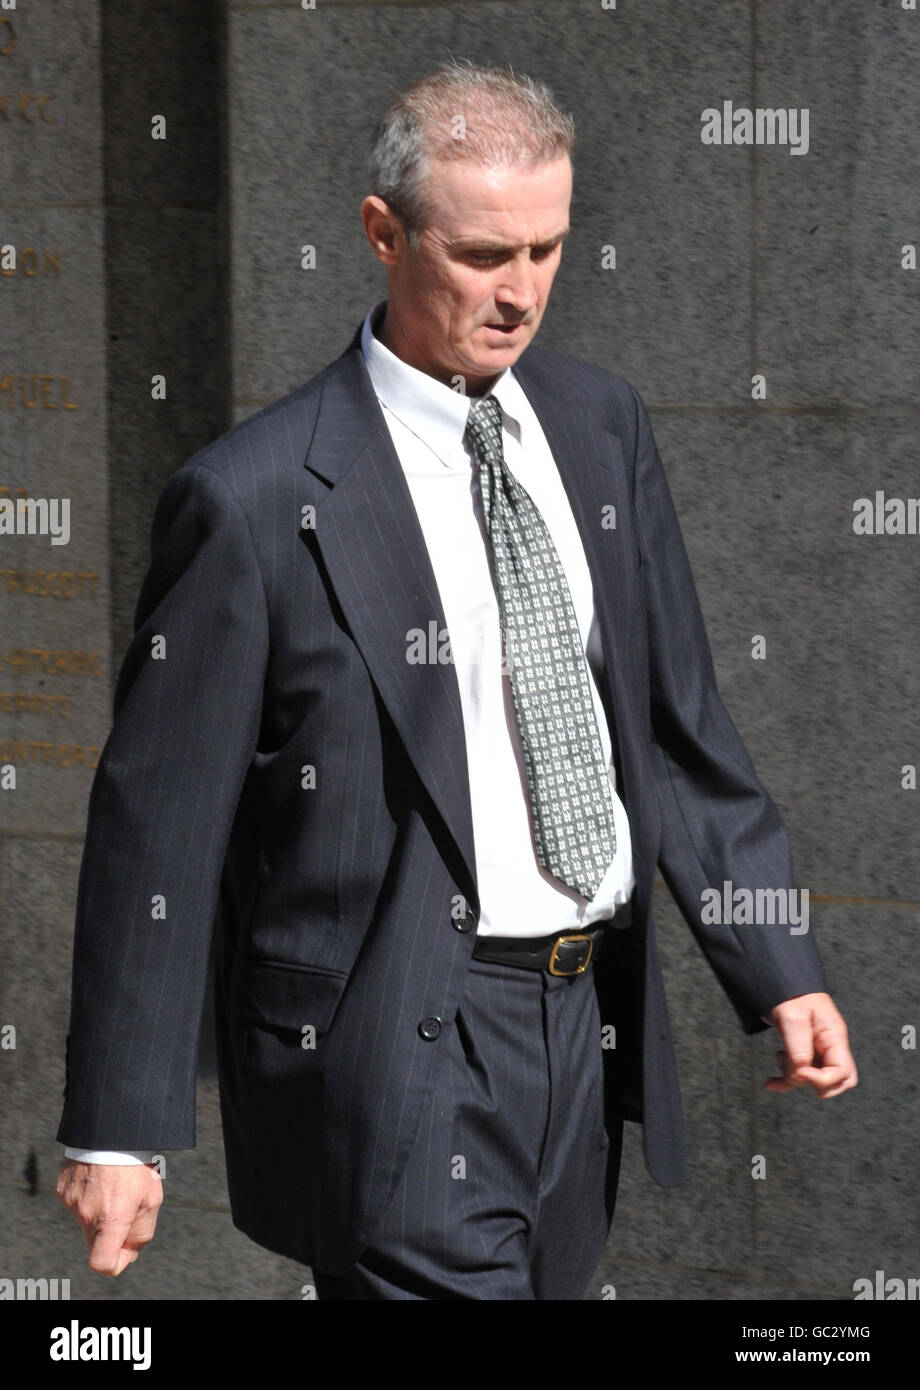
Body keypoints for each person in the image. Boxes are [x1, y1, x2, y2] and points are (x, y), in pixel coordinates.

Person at [55, 59, 857, 1301]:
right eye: (484, 252)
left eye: (546, 248)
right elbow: (157, 829)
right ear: (382, 233)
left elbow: (668, 729)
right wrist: (117, 1123)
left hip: (582, 1031)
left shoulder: (599, 425)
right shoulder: (254, 499)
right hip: (393, 1049)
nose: (521, 291)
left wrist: (775, 959)